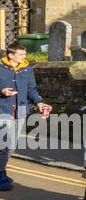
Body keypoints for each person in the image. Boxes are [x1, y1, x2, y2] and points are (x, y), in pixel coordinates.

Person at [0, 40, 52, 191]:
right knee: (4, 144)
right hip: (3, 110)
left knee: (11, 145)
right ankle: (1, 174)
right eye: (21, 54)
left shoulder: (27, 70)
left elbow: (31, 90)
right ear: (10, 55)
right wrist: (2, 91)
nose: (24, 56)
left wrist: (40, 103)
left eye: (25, 54)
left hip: (21, 111)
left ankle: (1, 170)